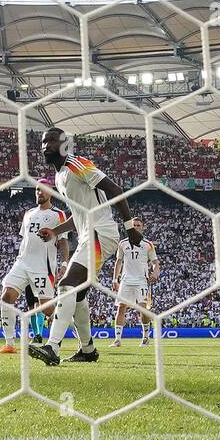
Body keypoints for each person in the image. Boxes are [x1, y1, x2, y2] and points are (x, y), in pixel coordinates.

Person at [29, 128, 141, 366]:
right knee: (78, 295)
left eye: (51, 140)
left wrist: (130, 226)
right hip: (87, 235)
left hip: (100, 232)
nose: (45, 145)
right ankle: (88, 349)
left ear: (64, 144)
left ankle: (53, 346)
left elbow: (115, 190)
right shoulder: (60, 177)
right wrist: (56, 231)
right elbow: (78, 213)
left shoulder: (76, 164)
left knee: (67, 284)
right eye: (43, 142)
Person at [0, 185, 68, 354]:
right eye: (36, 190)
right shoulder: (28, 214)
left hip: (43, 266)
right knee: (6, 296)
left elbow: (63, 241)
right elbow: (26, 240)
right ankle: (9, 343)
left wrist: (64, 264)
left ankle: (79, 333)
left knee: (46, 308)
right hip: (22, 262)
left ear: (50, 193)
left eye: (42, 189)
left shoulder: (58, 214)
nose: (39, 192)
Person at [111, 220, 159, 347]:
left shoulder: (148, 244)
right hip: (126, 280)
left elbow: (155, 263)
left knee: (143, 309)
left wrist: (155, 273)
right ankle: (117, 340)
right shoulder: (122, 243)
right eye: (134, 225)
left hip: (141, 280)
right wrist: (115, 279)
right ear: (129, 227)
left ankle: (146, 337)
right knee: (121, 307)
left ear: (142, 228)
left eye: (138, 225)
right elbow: (118, 262)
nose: (136, 227)